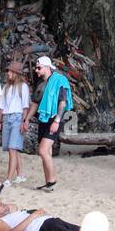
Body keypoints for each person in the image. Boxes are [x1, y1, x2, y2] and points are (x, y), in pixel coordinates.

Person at [22, 55, 72, 191]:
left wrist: (56, 120)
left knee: (42, 150)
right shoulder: (40, 84)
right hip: (43, 119)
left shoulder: (59, 80)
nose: (36, 70)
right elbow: (35, 103)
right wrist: (26, 119)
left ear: (47, 67)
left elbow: (63, 102)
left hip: (54, 118)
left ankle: (52, 180)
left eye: (39, 68)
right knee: (46, 151)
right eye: (36, 68)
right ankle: (48, 183)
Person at [0, 60, 30, 185]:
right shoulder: (6, 87)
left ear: (16, 73)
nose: (8, 73)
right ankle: (20, 174)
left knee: (13, 148)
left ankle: (8, 178)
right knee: (12, 149)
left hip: (17, 117)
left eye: (10, 71)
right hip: (7, 117)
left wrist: (24, 121)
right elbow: (1, 106)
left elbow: (25, 106)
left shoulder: (23, 86)